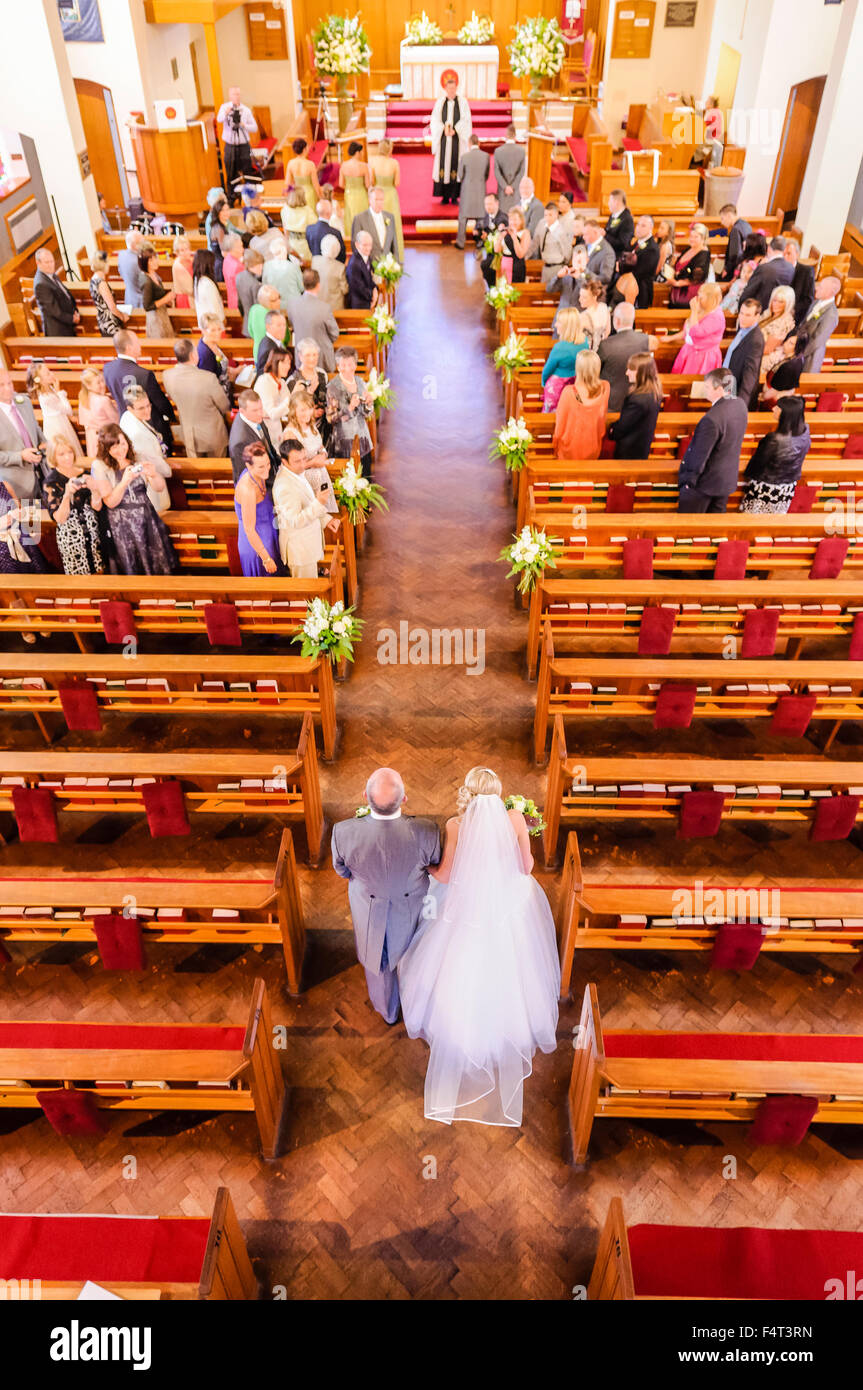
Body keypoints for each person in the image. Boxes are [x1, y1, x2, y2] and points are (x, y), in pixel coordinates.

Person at [398, 766, 559, 1126]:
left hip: (467, 905)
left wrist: (425, 869)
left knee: (458, 962)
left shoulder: (457, 825)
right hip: (506, 904)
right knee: (515, 964)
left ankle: (462, 1031)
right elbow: (526, 868)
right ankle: (507, 1026)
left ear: (467, 794)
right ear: (499, 793)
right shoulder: (516, 818)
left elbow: (447, 875)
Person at [331, 766, 441, 1025]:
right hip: (414, 906)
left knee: (378, 965)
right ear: (404, 799)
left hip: (368, 909)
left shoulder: (343, 832)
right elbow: (434, 863)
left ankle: (389, 1013)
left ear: (364, 797)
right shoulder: (427, 832)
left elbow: (342, 870)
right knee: (415, 955)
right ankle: (419, 1004)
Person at [91, 424, 177, 574]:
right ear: (106, 449)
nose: (120, 450)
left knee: (157, 564)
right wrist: (125, 481)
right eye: (114, 447)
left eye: (122, 444)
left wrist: (153, 474)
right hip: (122, 525)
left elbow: (159, 487)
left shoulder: (138, 457)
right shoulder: (100, 466)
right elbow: (110, 502)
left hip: (146, 518)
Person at [677, 367, 748, 512]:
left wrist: (687, 482)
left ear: (720, 389)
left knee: (689, 528)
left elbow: (700, 455)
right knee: (712, 531)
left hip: (704, 485)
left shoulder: (711, 419)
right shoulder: (740, 405)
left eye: (708, 387)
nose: (706, 391)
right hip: (725, 481)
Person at [272, 438, 337, 577]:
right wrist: (319, 502)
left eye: (304, 459)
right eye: (297, 461)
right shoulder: (284, 486)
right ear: (284, 461)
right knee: (307, 597)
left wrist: (326, 520)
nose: (303, 465)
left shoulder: (295, 472)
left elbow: (307, 503)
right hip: (300, 552)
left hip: (308, 546)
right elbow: (295, 521)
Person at [103, 330, 175, 453]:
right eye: (137, 342)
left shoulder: (108, 368)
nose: (140, 345)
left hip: (125, 423)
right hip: (149, 425)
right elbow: (160, 403)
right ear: (129, 348)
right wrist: (171, 417)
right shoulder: (144, 374)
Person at [43, 437, 106, 575]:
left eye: (69, 452)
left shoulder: (84, 473)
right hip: (72, 537)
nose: (67, 457)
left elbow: (97, 507)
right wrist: (67, 495)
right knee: (79, 579)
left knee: (100, 573)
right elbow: (59, 518)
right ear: (53, 457)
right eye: (61, 454)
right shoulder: (51, 482)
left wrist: (95, 489)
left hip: (93, 532)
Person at [739, 395, 811, 514]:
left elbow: (758, 462)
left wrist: (747, 474)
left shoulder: (775, 439)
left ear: (786, 415)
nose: (773, 409)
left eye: (778, 408)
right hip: (787, 487)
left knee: (754, 517)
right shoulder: (805, 430)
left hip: (767, 487)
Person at [163, 339, 229, 458]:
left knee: (197, 474)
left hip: (189, 435)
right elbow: (224, 405)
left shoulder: (167, 376)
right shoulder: (208, 378)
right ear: (193, 355)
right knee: (216, 473)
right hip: (213, 434)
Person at [281, 388, 337, 516]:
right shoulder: (291, 433)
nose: (307, 413)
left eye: (309, 408)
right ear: (293, 411)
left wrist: (323, 454)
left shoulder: (311, 426)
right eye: (302, 410)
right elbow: (291, 467)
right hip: (305, 482)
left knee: (327, 516)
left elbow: (321, 447)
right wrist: (313, 462)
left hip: (321, 476)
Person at [234, 441, 281, 576]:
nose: (266, 470)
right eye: (261, 467)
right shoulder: (247, 490)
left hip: (268, 533)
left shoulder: (259, 474)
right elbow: (249, 530)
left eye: (267, 464)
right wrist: (265, 558)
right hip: (257, 547)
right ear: (248, 465)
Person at [0, 367, 47, 502]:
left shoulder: (24, 402)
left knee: (41, 520)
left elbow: (35, 427)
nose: (8, 388)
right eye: (2, 385)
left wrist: (44, 443)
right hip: (15, 484)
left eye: (10, 383)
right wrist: (20, 456)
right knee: (25, 523)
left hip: (40, 474)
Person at [553, 350, 610, 460]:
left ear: (578, 369)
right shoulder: (605, 388)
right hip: (593, 446)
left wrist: (555, 443)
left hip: (569, 449)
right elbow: (601, 421)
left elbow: (560, 426)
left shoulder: (568, 392)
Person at [326, 346, 374, 475]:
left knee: (366, 479)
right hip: (344, 442)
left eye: (350, 364)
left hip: (362, 439)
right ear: (338, 366)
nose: (347, 368)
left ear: (355, 365)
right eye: (343, 365)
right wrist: (350, 408)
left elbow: (366, 413)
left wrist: (369, 404)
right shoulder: (332, 387)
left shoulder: (360, 381)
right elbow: (331, 418)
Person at [606, 353, 663, 459]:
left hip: (629, 451)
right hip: (641, 446)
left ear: (641, 373)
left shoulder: (638, 400)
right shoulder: (654, 391)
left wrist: (612, 430)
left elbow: (623, 427)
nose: (627, 373)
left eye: (631, 370)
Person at [119, 383, 172, 494]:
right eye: (141, 408)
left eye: (148, 405)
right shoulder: (138, 434)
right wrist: (168, 469)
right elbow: (154, 461)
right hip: (149, 479)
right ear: (130, 408)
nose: (147, 410)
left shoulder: (127, 416)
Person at [284, 268, 339, 371]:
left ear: (303, 284)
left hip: (302, 355)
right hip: (321, 357)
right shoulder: (324, 307)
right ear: (318, 285)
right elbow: (334, 333)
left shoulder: (292, 305)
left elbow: (292, 324)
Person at [597, 303, 649, 411]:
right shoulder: (644, 340)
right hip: (636, 398)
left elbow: (596, 370)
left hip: (611, 400)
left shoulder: (606, 344)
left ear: (617, 321)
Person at [24, 363, 80, 460]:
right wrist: (59, 391)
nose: (51, 374)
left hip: (61, 421)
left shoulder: (50, 388)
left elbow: (63, 409)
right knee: (63, 449)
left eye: (49, 371)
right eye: (47, 373)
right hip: (57, 426)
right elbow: (67, 409)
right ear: (40, 380)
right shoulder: (45, 397)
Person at [431, 72, 472, 203]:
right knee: (444, 166)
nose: (451, 91)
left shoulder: (463, 102)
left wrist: (456, 130)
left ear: (456, 88)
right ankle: (444, 196)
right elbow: (434, 120)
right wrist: (444, 128)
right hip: (444, 139)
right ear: (445, 89)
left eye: (453, 88)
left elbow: (466, 119)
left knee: (455, 165)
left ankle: (454, 196)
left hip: (457, 140)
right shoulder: (440, 102)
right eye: (449, 88)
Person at [668, 283, 725, 375]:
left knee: (693, 384)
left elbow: (694, 332)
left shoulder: (716, 317)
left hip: (702, 357)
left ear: (710, 300)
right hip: (690, 351)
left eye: (701, 297)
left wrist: (694, 311)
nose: (697, 299)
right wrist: (672, 338)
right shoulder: (703, 308)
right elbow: (688, 328)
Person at [0, 476, 51, 580]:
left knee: (38, 541)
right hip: (3, 541)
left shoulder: (5, 485)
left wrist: (19, 513)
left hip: (19, 533)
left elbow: (19, 508)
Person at [541, 307, 589, 412]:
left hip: (557, 388)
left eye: (559, 322)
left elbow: (547, 371)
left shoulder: (560, 347)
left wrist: (544, 384)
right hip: (576, 386)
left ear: (567, 326)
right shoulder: (585, 341)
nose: (555, 325)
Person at [228, 389, 280, 484]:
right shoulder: (240, 442)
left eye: (260, 408)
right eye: (255, 410)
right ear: (242, 411)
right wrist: (278, 482)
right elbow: (248, 477)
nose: (260, 413)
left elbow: (268, 446)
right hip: (261, 486)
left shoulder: (254, 417)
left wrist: (281, 462)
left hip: (272, 470)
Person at [723, 297, 765, 409]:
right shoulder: (743, 328)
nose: (742, 318)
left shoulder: (755, 340)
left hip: (737, 390)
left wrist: (740, 404)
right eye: (741, 313)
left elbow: (750, 374)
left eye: (748, 315)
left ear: (757, 317)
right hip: (729, 383)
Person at [287, 339, 329, 445]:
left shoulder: (322, 374)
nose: (312, 359)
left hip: (324, 426)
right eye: (308, 355)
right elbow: (291, 409)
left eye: (315, 355)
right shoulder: (293, 380)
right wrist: (310, 413)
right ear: (300, 356)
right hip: (304, 430)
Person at [216, 86, 257, 193]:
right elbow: (219, 119)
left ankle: (249, 196)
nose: (236, 96)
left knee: (247, 172)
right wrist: (226, 113)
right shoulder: (224, 107)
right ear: (230, 96)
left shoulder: (246, 110)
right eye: (234, 94)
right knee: (231, 173)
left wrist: (244, 125)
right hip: (230, 145)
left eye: (238, 94)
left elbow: (254, 128)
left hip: (243, 146)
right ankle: (231, 197)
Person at [369, 138, 404, 262]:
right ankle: (395, 254)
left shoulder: (373, 162)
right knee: (392, 225)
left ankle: (378, 255)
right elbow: (397, 182)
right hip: (390, 195)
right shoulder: (394, 163)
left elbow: (372, 182)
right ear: (389, 149)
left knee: (378, 224)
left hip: (378, 196)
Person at [33, 247, 79, 337]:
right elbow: (54, 311)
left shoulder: (51, 274)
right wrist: (72, 319)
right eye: (47, 262)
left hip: (66, 323)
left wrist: (75, 311)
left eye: (52, 261)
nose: (51, 265)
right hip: (58, 330)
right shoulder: (41, 284)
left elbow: (65, 293)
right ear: (38, 263)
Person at [799, 276, 841, 373]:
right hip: (799, 347)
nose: (816, 288)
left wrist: (797, 354)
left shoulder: (831, 316)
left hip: (808, 357)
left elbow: (816, 341)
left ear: (830, 293)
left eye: (821, 287)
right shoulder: (817, 301)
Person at [253, 345, 294, 445]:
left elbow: (290, 405)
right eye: (284, 363)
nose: (288, 366)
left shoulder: (282, 382)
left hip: (276, 427)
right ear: (274, 362)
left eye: (289, 363)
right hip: (264, 429)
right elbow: (272, 413)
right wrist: (292, 397)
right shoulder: (264, 381)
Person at [616, 214, 659, 309]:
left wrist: (621, 269)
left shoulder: (652, 248)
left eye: (643, 226)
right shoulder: (638, 243)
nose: (638, 228)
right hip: (628, 287)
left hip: (640, 293)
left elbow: (640, 272)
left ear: (651, 228)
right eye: (638, 224)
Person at [455, 134, 490, 251]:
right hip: (480, 189)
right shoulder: (485, 156)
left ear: (469, 144)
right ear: (478, 143)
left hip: (467, 190)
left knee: (463, 217)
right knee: (480, 216)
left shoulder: (465, 157)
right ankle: (479, 241)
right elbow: (486, 174)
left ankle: (460, 242)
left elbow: (460, 175)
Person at [744, 236, 794, 311]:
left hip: (760, 310)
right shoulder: (791, 267)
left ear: (769, 248)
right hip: (778, 310)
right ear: (783, 250)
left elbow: (749, 291)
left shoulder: (764, 268)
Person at [351, 185, 399, 264]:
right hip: (369, 267)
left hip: (387, 267)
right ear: (370, 200)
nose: (379, 202)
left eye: (381, 200)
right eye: (376, 199)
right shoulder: (359, 219)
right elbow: (355, 246)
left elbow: (394, 246)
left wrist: (395, 265)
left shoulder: (390, 217)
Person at [77, 367, 119, 456]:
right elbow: (116, 420)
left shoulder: (83, 398)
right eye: (98, 383)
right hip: (106, 438)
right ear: (88, 386)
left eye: (102, 381)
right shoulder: (104, 400)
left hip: (91, 438)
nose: (102, 385)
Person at [531, 202, 572, 289]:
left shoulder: (561, 230)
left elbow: (567, 251)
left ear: (556, 214)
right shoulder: (542, 224)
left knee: (554, 292)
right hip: (545, 266)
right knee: (542, 294)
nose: (547, 218)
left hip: (557, 267)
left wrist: (563, 265)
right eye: (545, 215)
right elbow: (535, 243)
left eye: (550, 215)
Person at [668, 222, 710, 306]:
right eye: (691, 236)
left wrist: (677, 283)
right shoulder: (690, 248)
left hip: (689, 295)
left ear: (703, 238)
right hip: (677, 289)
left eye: (696, 237)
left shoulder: (703, 254)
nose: (692, 239)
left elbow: (697, 278)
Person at [759, 285, 796, 375]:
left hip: (764, 358)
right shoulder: (768, 313)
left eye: (781, 302)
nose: (775, 304)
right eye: (774, 300)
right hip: (757, 349)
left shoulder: (784, 322)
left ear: (788, 304)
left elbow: (767, 349)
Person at [89, 250, 127, 336]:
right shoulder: (101, 283)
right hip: (110, 323)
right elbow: (112, 307)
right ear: (103, 264)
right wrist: (122, 317)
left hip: (102, 320)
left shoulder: (93, 279)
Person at [474, 192, 508, 286]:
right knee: (485, 268)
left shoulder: (502, 218)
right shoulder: (487, 216)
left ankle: (494, 288)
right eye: (486, 204)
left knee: (486, 266)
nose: (488, 207)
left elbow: (501, 231)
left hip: (500, 252)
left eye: (490, 204)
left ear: (497, 203)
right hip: (491, 250)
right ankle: (492, 287)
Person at [338, 141, 371, 239]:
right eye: (361, 152)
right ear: (357, 152)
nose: (362, 154)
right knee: (362, 218)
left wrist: (349, 188)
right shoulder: (363, 166)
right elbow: (367, 184)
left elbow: (341, 184)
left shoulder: (344, 165)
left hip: (349, 194)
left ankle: (351, 238)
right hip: (361, 195)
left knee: (350, 217)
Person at [140, 246, 174, 338]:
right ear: (145, 262)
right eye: (151, 260)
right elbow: (147, 306)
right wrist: (166, 298)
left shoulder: (154, 274)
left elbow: (157, 295)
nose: (156, 261)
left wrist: (167, 301)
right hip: (155, 319)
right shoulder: (146, 281)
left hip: (162, 314)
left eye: (155, 258)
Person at [262, 237, 304, 311]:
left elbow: (265, 286)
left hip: (274, 305)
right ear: (284, 250)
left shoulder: (267, 265)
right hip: (293, 305)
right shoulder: (293, 266)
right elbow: (301, 287)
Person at [312, 233, 350, 313]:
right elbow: (345, 289)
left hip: (318, 303)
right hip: (335, 308)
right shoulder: (340, 267)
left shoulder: (315, 261)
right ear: (337, 249)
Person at [492, 125, 524, 215]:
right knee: (515, 216)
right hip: (515, 192)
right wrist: (513, 186)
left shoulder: (498, 151)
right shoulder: (521, 151)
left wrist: (505, 186)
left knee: (502, 218)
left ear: (506, 135)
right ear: (515, 135)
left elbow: (497, 172)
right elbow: (521, 172)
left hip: (503, 192)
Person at [715, 203, 752, 280]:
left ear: (729, 215)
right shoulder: (746, 224)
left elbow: (735, 254)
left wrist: (726, 269)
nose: (722, 222)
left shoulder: (735, 230)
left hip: (735, 268)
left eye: (722, 218)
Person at [495, 207, 531, 285]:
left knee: (515, 291)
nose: (512, 222)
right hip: (504, 265)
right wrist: (500, 237)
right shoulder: (506, 231)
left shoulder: (525, 233)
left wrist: (514, 237)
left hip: (517, 266)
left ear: (521, 221)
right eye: (511, 219)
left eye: (515, 219)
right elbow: (497, 250)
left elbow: (520, 254)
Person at [285, 137, 321, 210]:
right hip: (309, 194)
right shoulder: (310, 164)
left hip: (297, 194)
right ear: (304, 149)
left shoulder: (291, 163)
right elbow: (316, 185)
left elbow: (288, 183)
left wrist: (289, 197)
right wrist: (321, 198)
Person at [193, 249, 225, 330]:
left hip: (206, 324)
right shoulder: (207, 284)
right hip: (214, 326)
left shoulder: (198, 279)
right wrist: (222, 321)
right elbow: (215, 308)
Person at [785, 239, 815, 325]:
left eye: (789, 253)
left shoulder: (806, 271)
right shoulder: (778, 269)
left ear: (797, 254)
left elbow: (808, 299)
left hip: (793, 316)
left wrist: (793, 309)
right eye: (784, 254)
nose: (785, 257)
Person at [281, 188, 315, 261]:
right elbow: (314, 228)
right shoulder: (307, 210)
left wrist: (287, 245)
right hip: (305, 244)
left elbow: (285, 232)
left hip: (292, 244)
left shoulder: (285, 209)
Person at [346, 229, 377, 310]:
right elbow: (358, 288)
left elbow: (369, 277)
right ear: (357, 245)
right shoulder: (354, 264)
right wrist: (372, 296)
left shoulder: (366, 256)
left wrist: (374, 288)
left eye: (370, 245)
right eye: (365, 245)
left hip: (367, 297)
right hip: (359, 304)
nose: (368, 248)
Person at [577, 274, 611, 350]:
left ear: (594, 297)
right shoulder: (604, 307)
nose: (580, 299)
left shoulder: (583, 316)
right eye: (580, 296)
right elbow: (607, 333)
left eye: (584, 297)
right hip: (603, 349)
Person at [236, 248, 264, 334]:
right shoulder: (255, 285)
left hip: (246, 322)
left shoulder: (239, 276)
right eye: (258, 265)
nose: (261, 268)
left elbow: (239, 303)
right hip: (255, 326)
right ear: (250, 266)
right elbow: (258, 310)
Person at [255, 307, 290, 373]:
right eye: (279, 325)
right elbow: (263, 373)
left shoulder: (273, 341)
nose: (283, 328)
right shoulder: (268, 348)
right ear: (268, 327)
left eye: (284, 325)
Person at [118, 229, 146, 309]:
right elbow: (145, 283)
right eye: (142, 242)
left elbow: (120, 272)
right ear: (134, 245)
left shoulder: (121, 254)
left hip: (129, 297)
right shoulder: (138, 262)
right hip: (140, 301)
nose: (144, 244)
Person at [604, 189, 634, 262]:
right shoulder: (613, 215)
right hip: (609, 252)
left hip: (618, 257)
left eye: (610, 201)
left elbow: (623, 244)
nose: (608, 204)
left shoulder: (627, 219)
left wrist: (605, 235)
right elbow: (608, 230)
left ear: (616, 202)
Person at [581, 220, 615, 286]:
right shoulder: (586, 245)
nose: (583, 237)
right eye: (583, 234)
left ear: (596, 232)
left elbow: (606, 278)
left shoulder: (607, 252)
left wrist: (585, 274)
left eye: (586, 234)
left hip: (593, 290)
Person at [221, 234, 245, 310]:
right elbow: (244, 287)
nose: (243, 249)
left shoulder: (227, 259)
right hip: (240, 302)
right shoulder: (238, 266)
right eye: (240, 247)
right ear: (232, 249)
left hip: (231, 299)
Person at [171, 234, 195, 309]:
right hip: (186, 299)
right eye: (182, 250)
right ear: (177, 253)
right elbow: (189, 289)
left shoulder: (191, 260)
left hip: (194, 296)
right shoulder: (178, 266)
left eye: (187, 249)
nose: (185, 252)